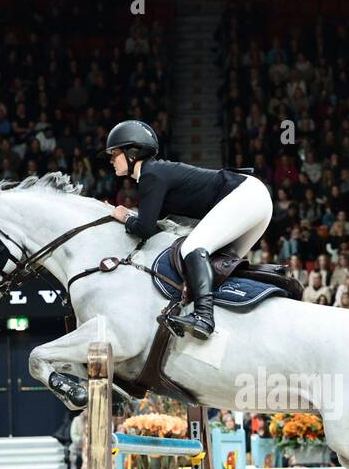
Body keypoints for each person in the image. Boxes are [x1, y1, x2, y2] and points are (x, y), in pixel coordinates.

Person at [104, 120, 272, 340]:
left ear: (133, 152)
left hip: (244, 195)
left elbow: (144, 228)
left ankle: (203, 317)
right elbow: (153, 228)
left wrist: (124, 216)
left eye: (114, 153)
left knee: (193, 247)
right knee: (221, 266)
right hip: (255, 199)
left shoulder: (151, 174)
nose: (110, 160)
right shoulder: (156, 174)